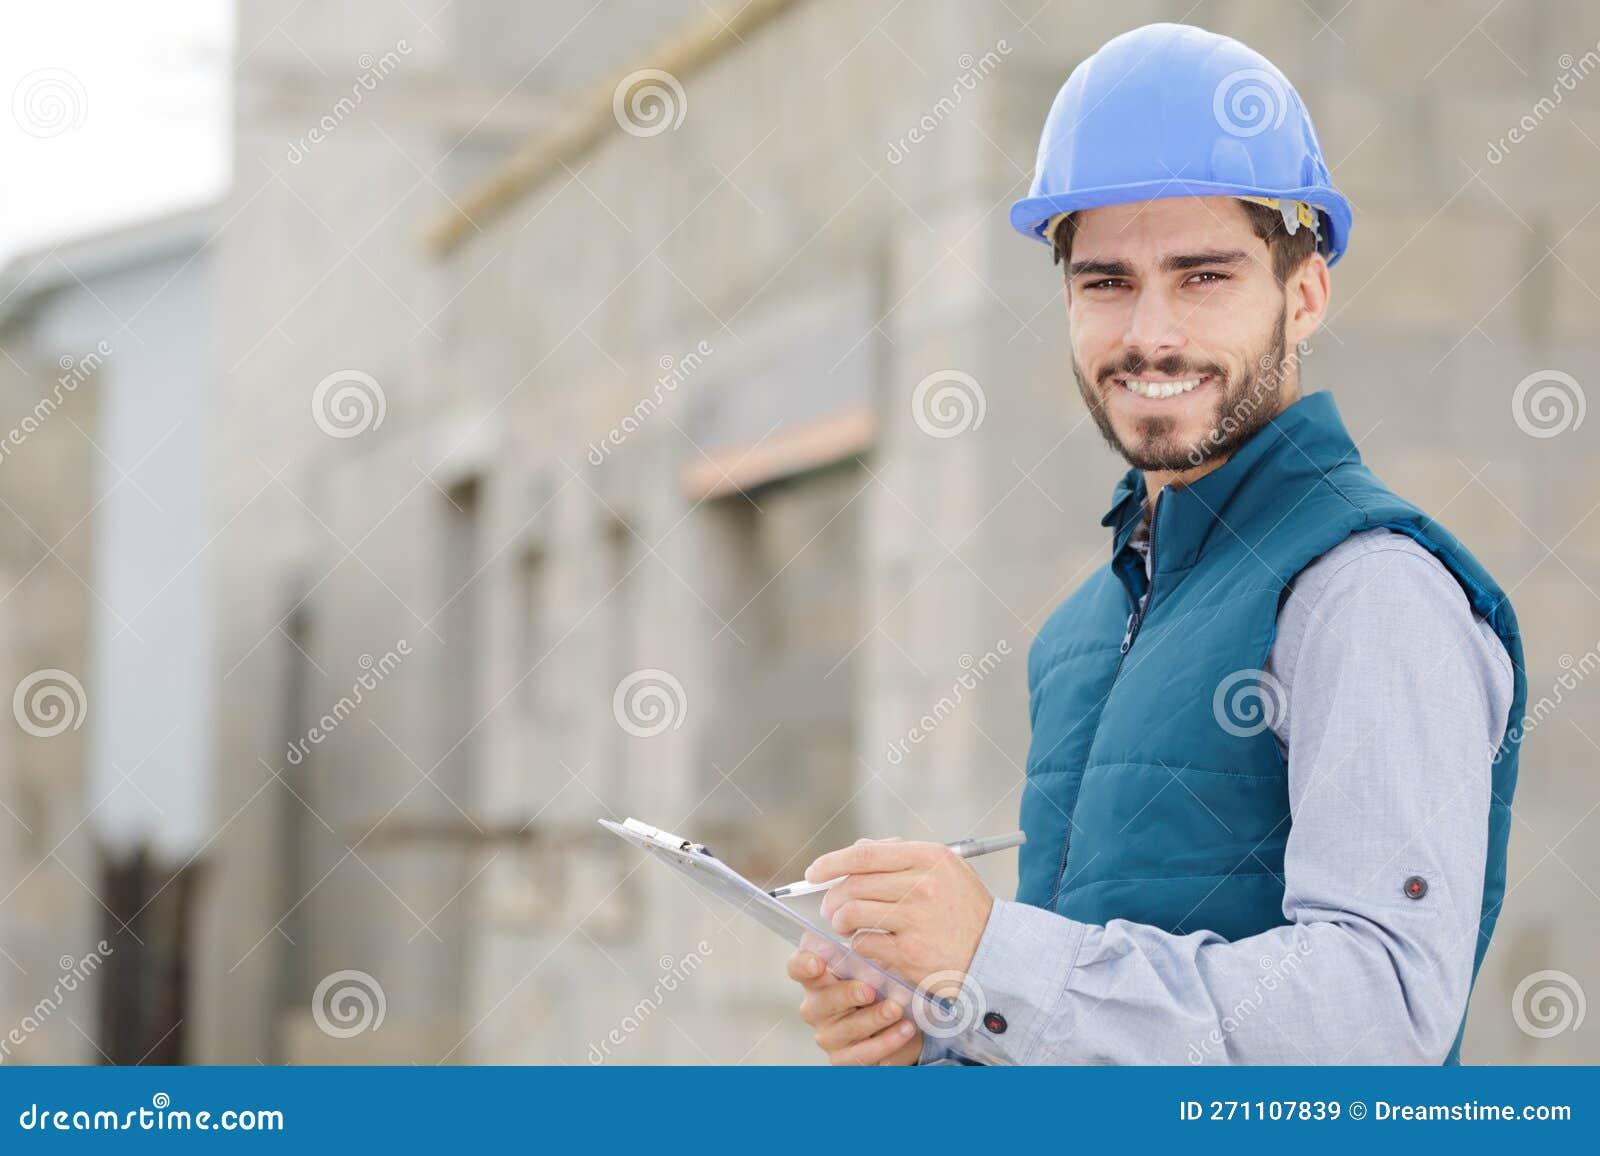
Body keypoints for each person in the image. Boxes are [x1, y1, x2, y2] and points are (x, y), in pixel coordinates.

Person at [787, 21, 1526, 1066]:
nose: (1149, 334)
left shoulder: (1368, 594)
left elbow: (1382, 1018)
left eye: (1202, 276)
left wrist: (997, 955)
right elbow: (1090, 1021)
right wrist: (945, 1020)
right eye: (1106, 282)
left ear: (1304, 296)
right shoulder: (1083, 631)